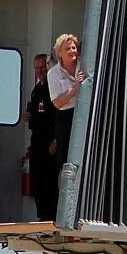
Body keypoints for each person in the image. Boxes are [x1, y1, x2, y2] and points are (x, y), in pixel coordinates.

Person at [25, 53, 58, 221]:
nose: (39, 72)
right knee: (37, 180)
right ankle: (42, 216)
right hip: (37, 142)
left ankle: (51, 216)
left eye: (42, 68)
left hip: (49, 143)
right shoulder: (36, 91)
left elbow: (58, 117)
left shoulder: (54, 89)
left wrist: (56, 140)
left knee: (49, 181)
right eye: (36, 69)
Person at [48, 34, 86, 169]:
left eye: (74, 47)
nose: (72, 51)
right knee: (65, 159)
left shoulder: (85, 65)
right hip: (65, 118)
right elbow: (57, 103)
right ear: (59, 54)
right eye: (67, 49)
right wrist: (75, 87)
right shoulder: (53, 74)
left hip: (84, 114)